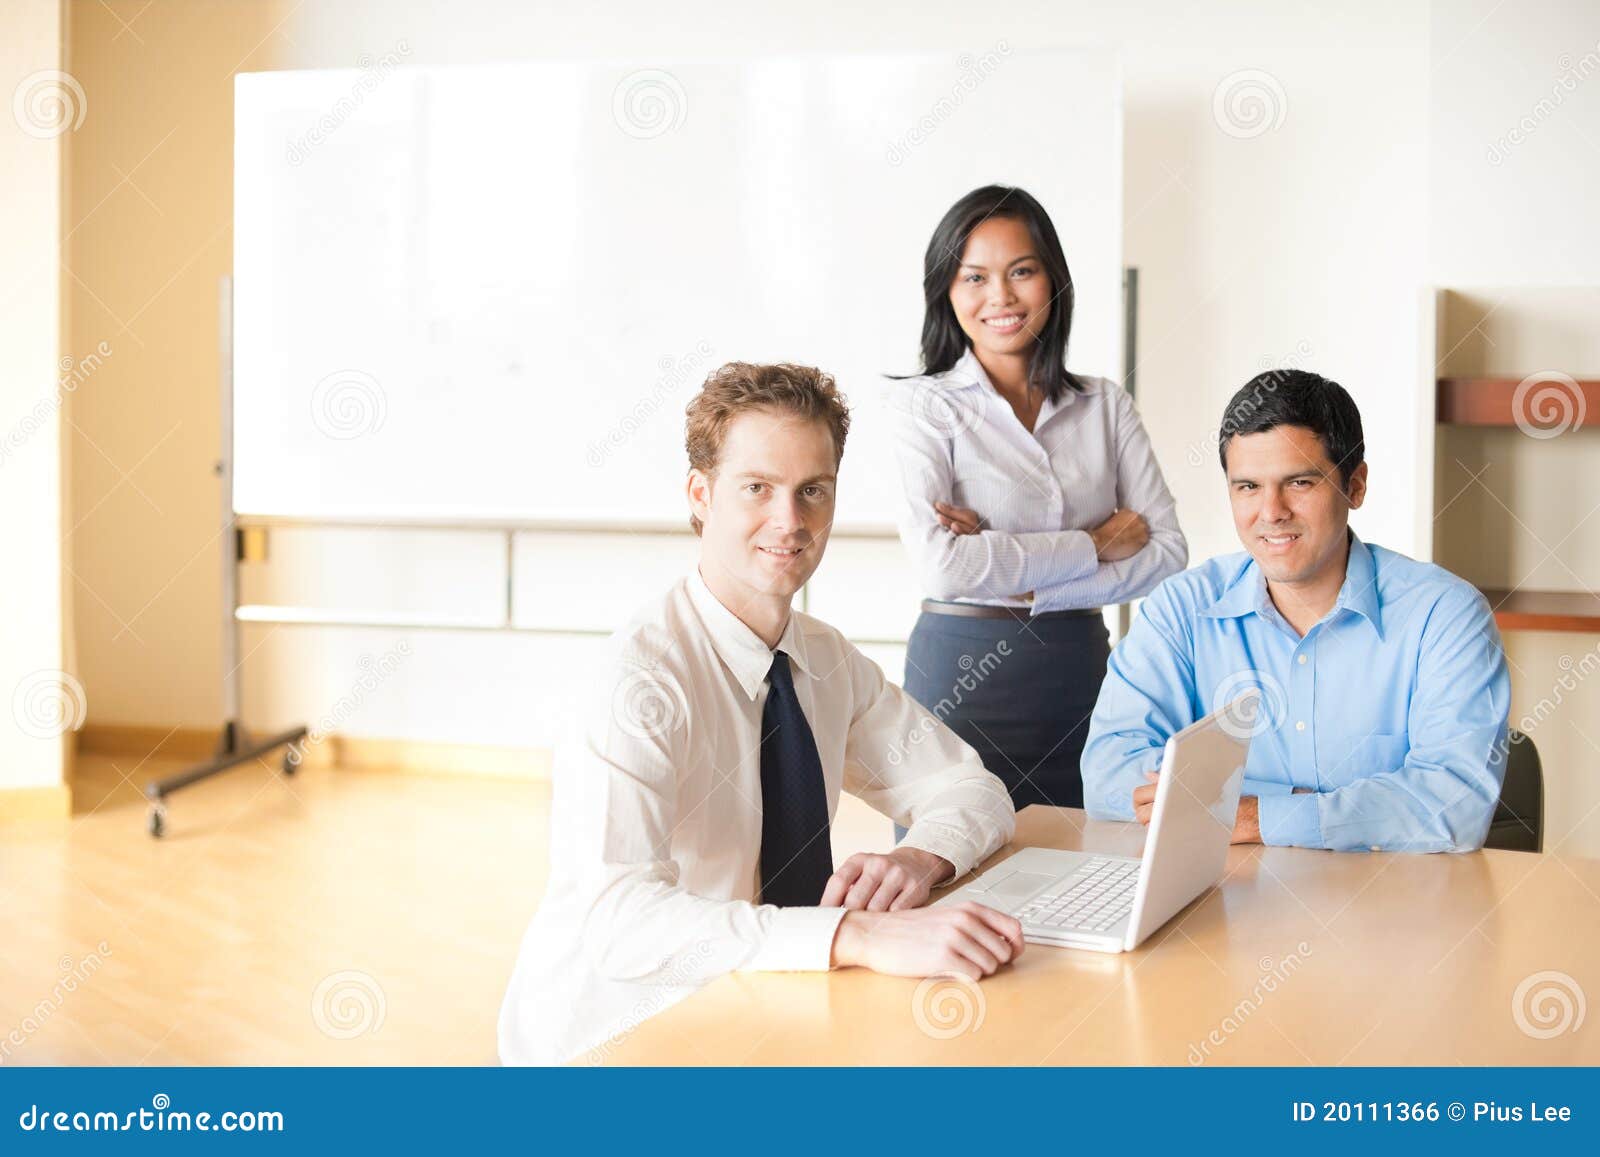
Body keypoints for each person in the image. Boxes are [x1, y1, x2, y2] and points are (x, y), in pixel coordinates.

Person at [498, 362, 1023, 1066]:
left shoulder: (824, 660)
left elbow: (972, 787)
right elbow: (619, 923)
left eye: (814, 491)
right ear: (700, 494)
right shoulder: (639, 680)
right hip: (611, 1037)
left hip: (760, 1008)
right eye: (758, 488)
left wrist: (918, 857)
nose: (791, 520)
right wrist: (852, 934)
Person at [1081, 369, 1511, 852]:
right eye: (1247, 487)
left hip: (1389, 910)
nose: (1271, 512)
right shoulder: (1181, 610)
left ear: (1356, 485)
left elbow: (1454, 803)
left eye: (1300, 482)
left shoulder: (1444, 615)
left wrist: (1247, 815)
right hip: (1224, 905)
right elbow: (1109, 774)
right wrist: (1301, 807)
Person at [886, 185, 1187, 813]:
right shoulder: (927, 407)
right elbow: (942, 566)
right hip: (961, 674)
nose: (1000, 297)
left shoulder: (1104, 405)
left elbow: (1166, 552)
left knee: (1088, 866)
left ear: (1053, 279)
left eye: (1021, 271)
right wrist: (1095, 544)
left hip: (1080, 670)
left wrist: (1024, 580)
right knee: (953, 871)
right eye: (975, 277)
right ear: (946, 289)